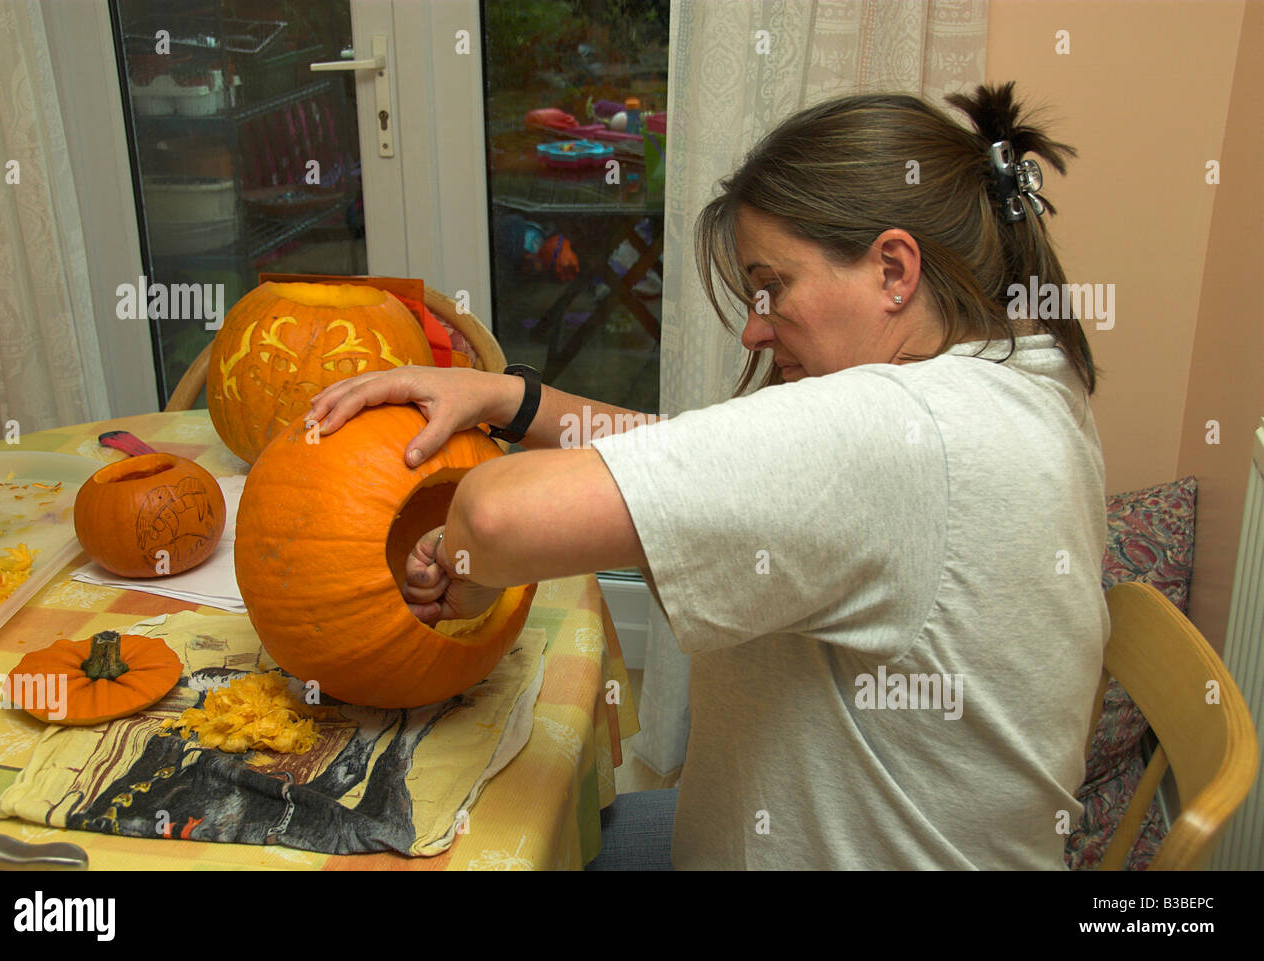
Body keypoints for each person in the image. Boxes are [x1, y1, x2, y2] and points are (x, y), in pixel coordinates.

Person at [304, 81, 1108, 870]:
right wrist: (512, 398)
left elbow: (495, 518)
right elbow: (708, 467)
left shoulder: (896, 432)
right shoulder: (1021, 376)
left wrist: (469, 570)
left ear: (893, 270)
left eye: (773, 286)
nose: (756, 327)